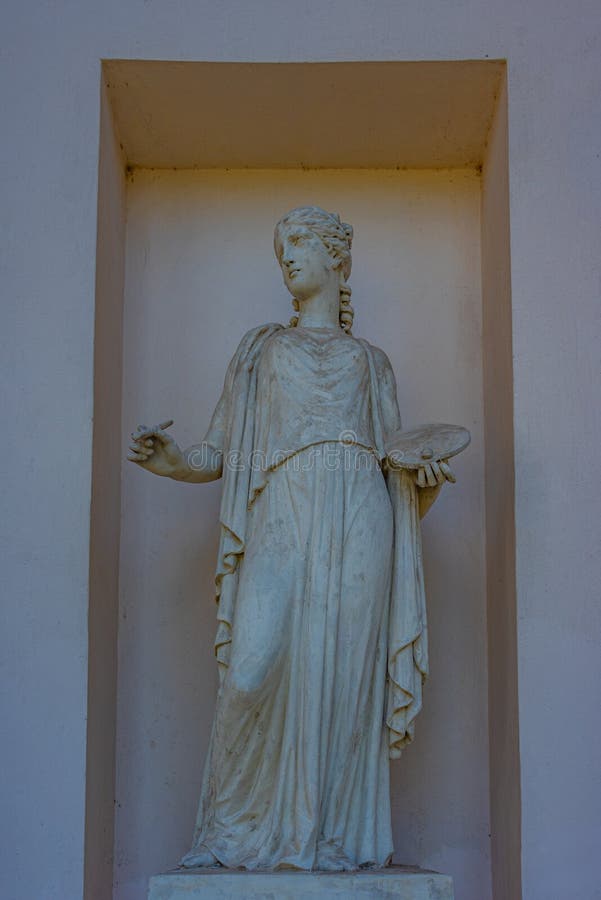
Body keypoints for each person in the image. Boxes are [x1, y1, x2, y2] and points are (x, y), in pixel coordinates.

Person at [128, 206, 454, 871]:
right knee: (251, 670)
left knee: (346, 679)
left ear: (337, 256)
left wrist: (426, 479)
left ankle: (334, 838)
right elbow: (219, 451)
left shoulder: (371, 361)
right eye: (282, 250)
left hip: (360, 514)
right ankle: (235, 836)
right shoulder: (260, 349)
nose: (287, 259)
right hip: (279, 506)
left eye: (299, 244)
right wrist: (172, 462)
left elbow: (397, 469)